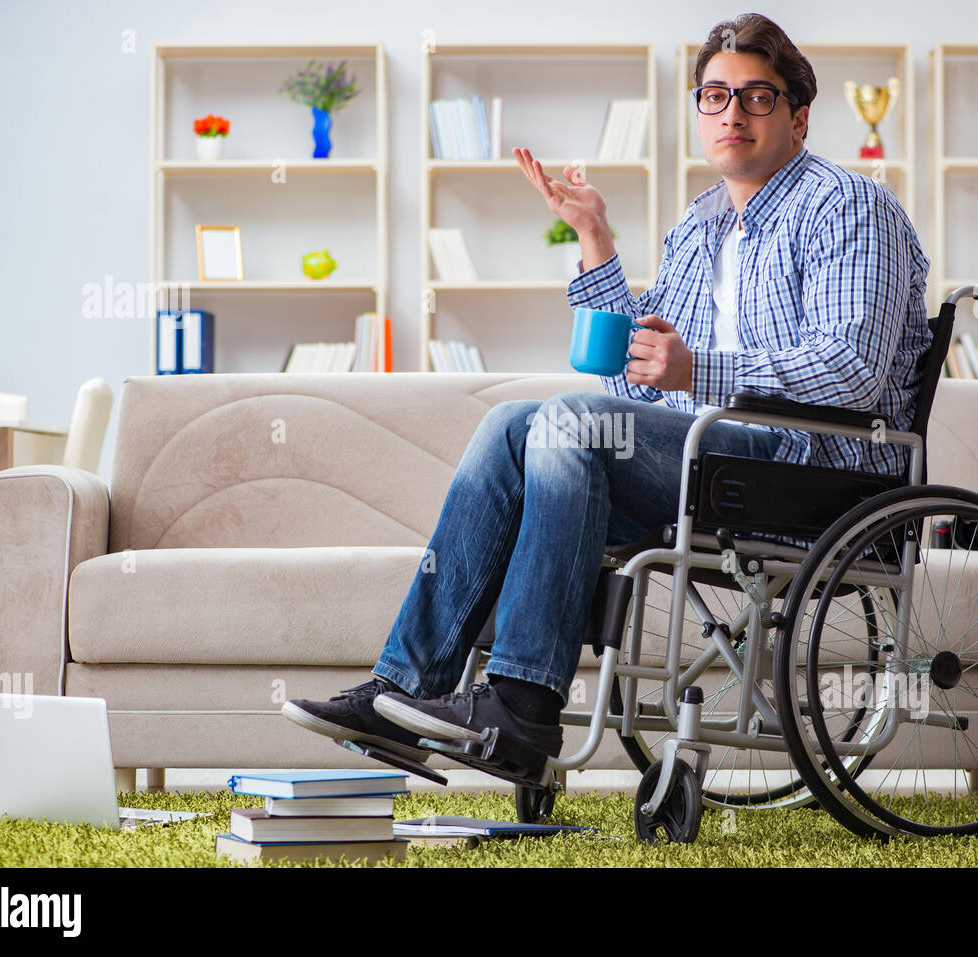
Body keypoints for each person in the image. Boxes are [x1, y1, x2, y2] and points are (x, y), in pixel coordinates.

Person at [282, 12, 931, 773]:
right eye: (715, 95)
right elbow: (636, 380)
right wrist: (595, 239)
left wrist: (699, 373)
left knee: (569, 426)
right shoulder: (702, 224)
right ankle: (403, 689)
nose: (732, 113)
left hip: (813, 471)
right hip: (712, 461)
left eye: (757, 96)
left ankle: (521, 707)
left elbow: (851, 368)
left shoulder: (850, 205)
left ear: (798, 114)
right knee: (513, 424)